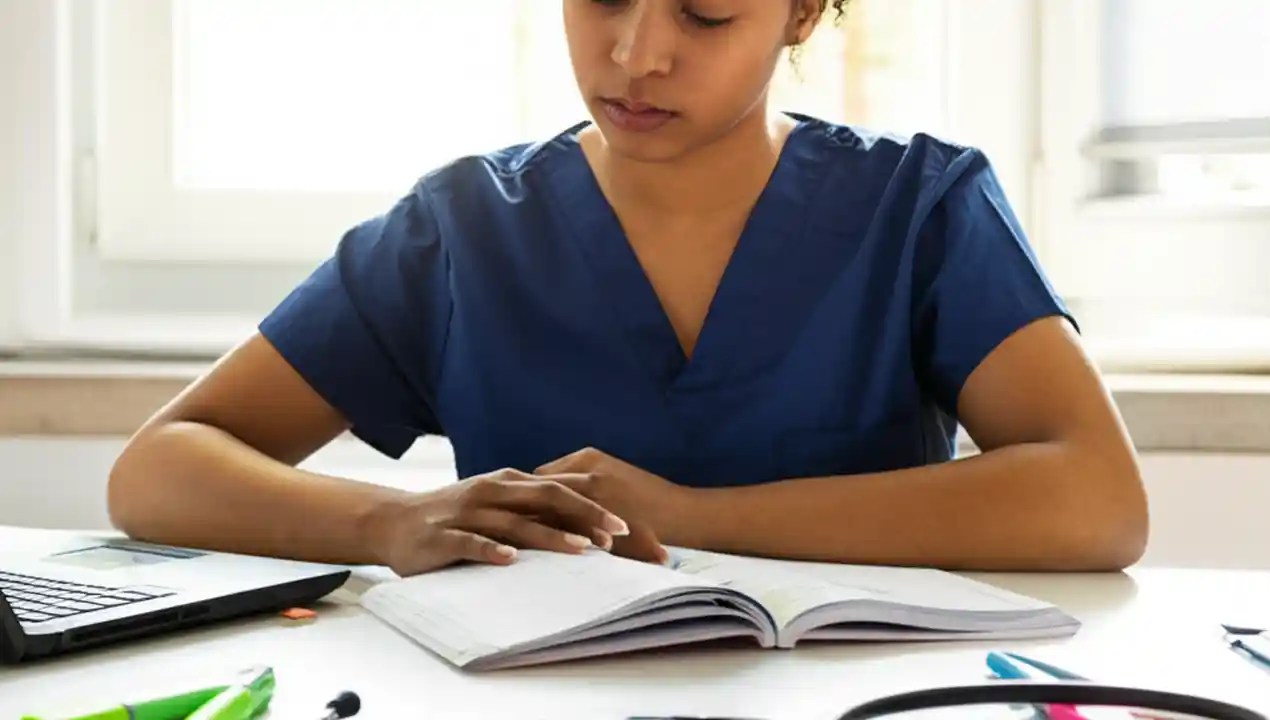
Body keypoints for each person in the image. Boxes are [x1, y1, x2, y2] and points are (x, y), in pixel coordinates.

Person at [108, 0, 1149, 577]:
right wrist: (389, 522)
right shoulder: (462, 228)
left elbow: (1096, 502)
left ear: (797, 14)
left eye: (702, 14)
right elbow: (159, 470)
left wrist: (693, 515)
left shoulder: (918, 206)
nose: (633, 53)